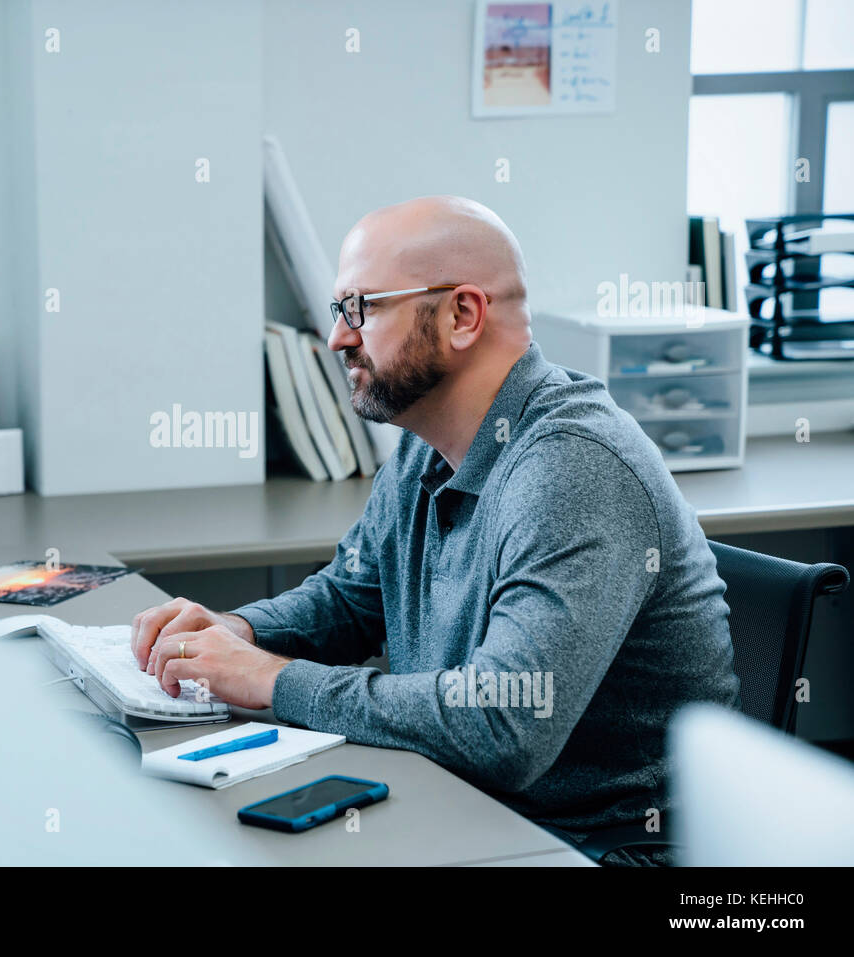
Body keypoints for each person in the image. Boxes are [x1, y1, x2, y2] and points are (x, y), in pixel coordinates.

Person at [130, 195, 741, 866]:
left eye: (361, 307)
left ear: (462, 315)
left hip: (590, 848)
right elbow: (350, 597)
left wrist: (272, 681)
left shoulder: (573, 468)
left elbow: (501, 723)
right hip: (466, 806)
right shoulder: (431, 441)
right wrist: (239, 633)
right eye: (341, 311)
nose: (338, 337)